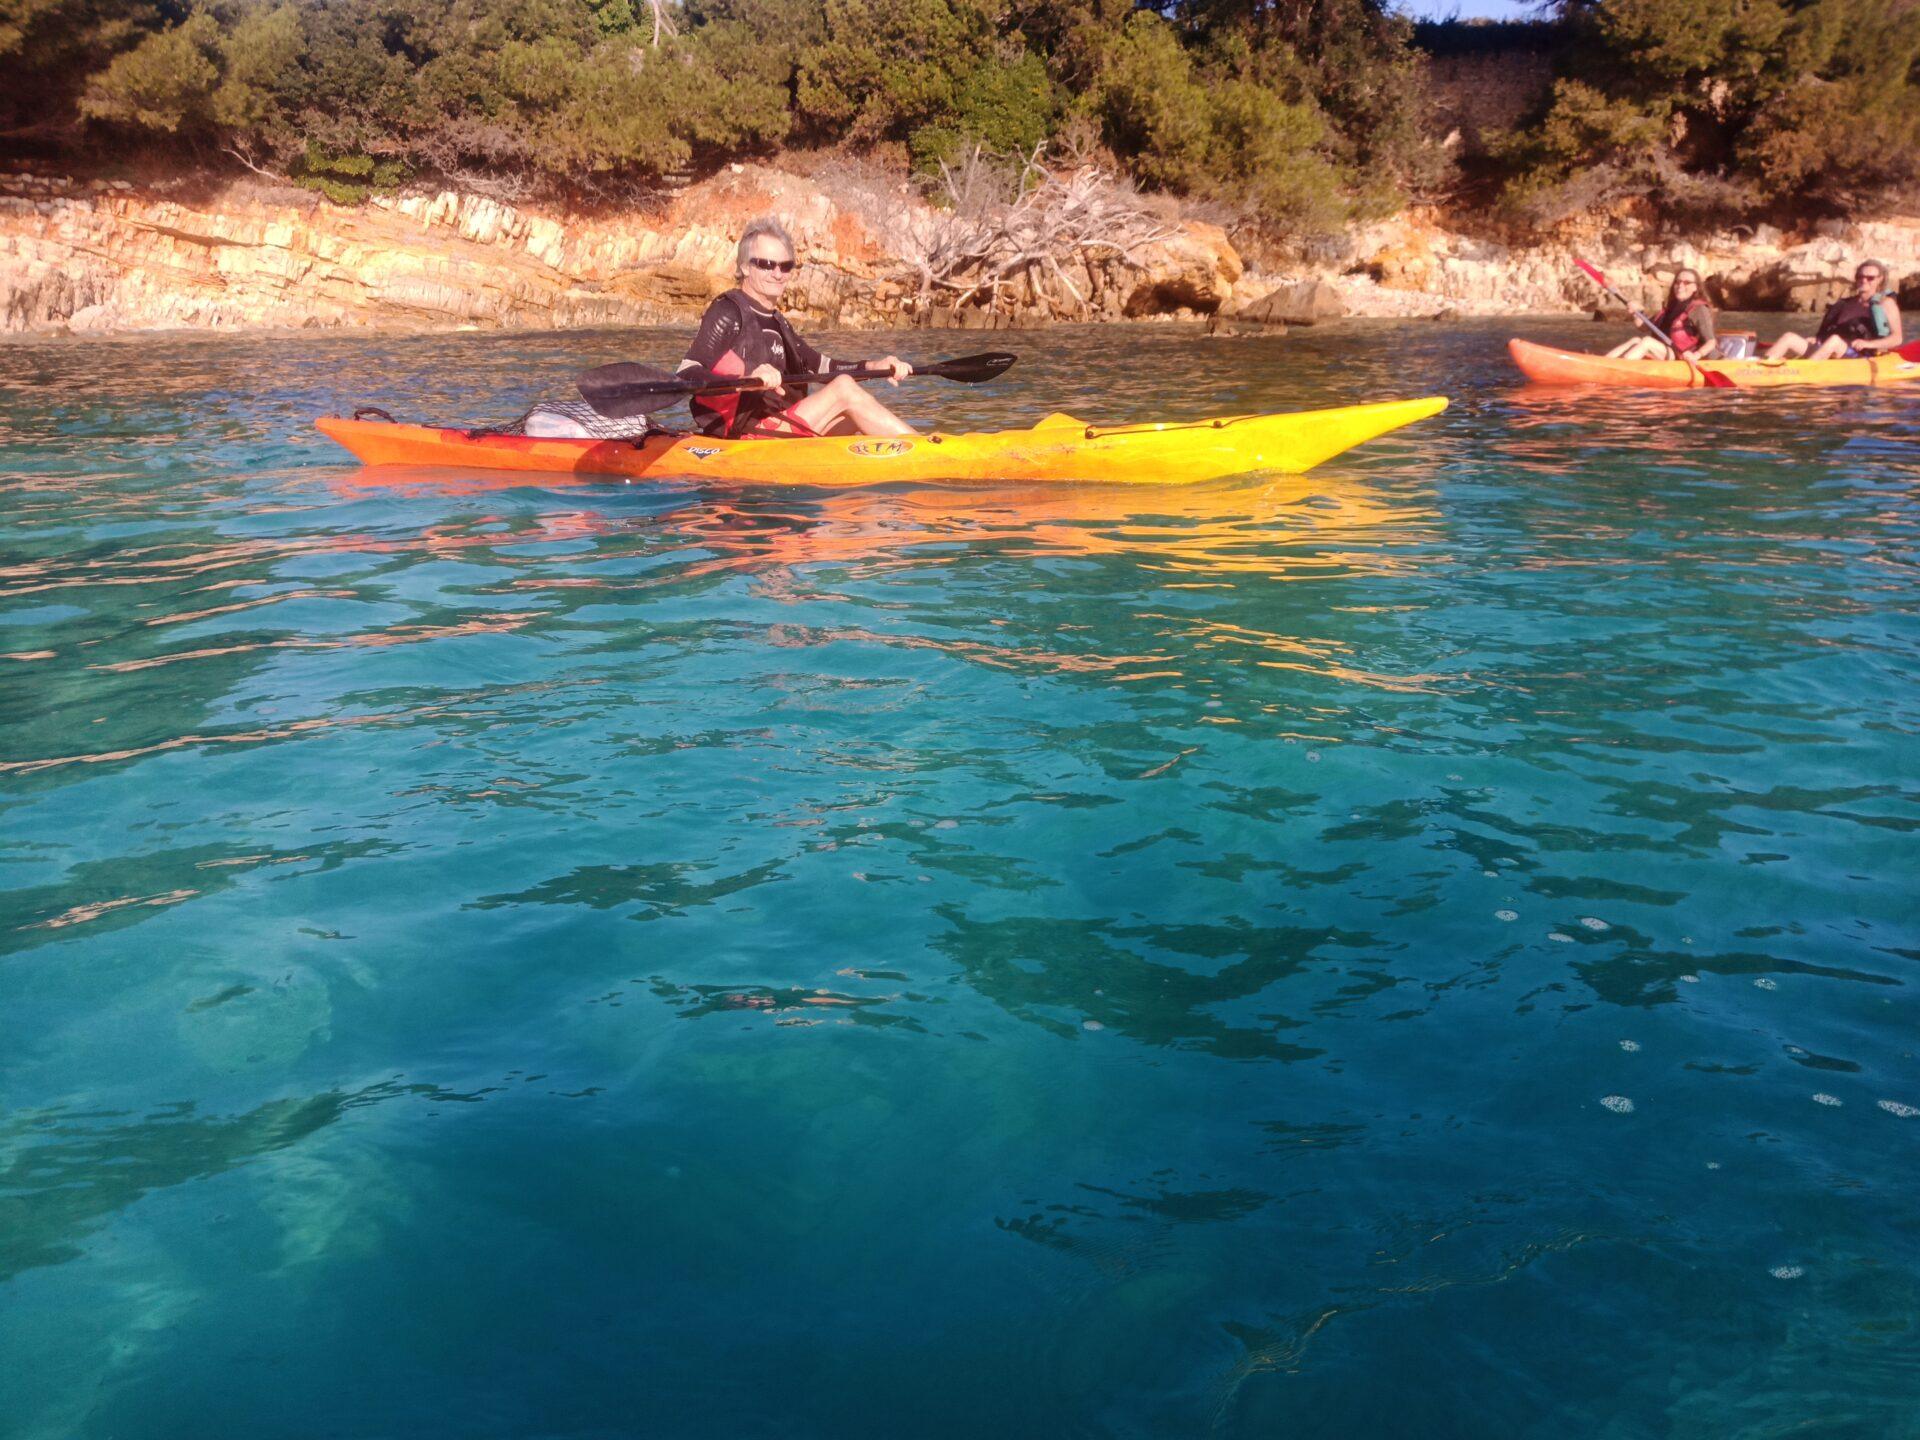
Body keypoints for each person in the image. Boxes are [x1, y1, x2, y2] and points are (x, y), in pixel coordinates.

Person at [678, 218, 914, 439]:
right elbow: (687, 371)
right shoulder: (727, 311)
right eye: (766, 264)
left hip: (780, 428)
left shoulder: (779, 323)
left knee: (852, 411)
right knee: (843, 389)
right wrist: (744, 379)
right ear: (745, 267)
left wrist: (874, 367)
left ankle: (918, 453)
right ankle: (928, 451)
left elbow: (822, 367)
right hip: (746, 435)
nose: (777, 274)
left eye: (785, 266)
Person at [1765, 261, 1904, 361]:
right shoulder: (1844, 303)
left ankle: (1807, 371)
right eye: (1860, 277)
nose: (1864, 280)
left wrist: (1868, 344)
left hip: (1860, 355)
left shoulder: (1886, 303)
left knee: (1835, 341)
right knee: (1789, 337)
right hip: (1828, 351)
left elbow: (1897, 338)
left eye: (1870, 278)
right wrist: (1817, 339)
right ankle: (1761, 367)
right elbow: (1827, 331)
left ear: (1880, 279)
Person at [1607, 268, 1718, 361]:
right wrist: (1636, 313)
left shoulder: (1699, 310)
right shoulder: (1671, 307)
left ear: (1695, 288)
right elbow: (1643, 327)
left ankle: (1623, 367)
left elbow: (1711, 342)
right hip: (1666, 351)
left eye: (1687, 283)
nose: (1680, 286)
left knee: (1647, 342)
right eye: (1677, 282)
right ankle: (1606, 362)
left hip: (1681, 356)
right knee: (1635, 340)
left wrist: (1696, 355)